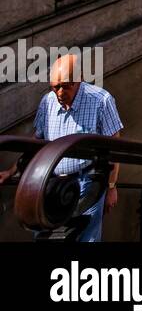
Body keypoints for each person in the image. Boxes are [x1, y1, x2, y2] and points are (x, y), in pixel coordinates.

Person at [31, 55, 124, 240]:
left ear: (79, 80)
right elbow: (36, 142)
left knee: (86, 238)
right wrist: (12, 171)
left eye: (65, 86)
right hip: (53, 183)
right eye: (55, 87)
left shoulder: (101, 100)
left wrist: (112, 186)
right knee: (46, 236)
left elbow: (115, 148)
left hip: (88, 181)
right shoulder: (47, 102)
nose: (59, 92)